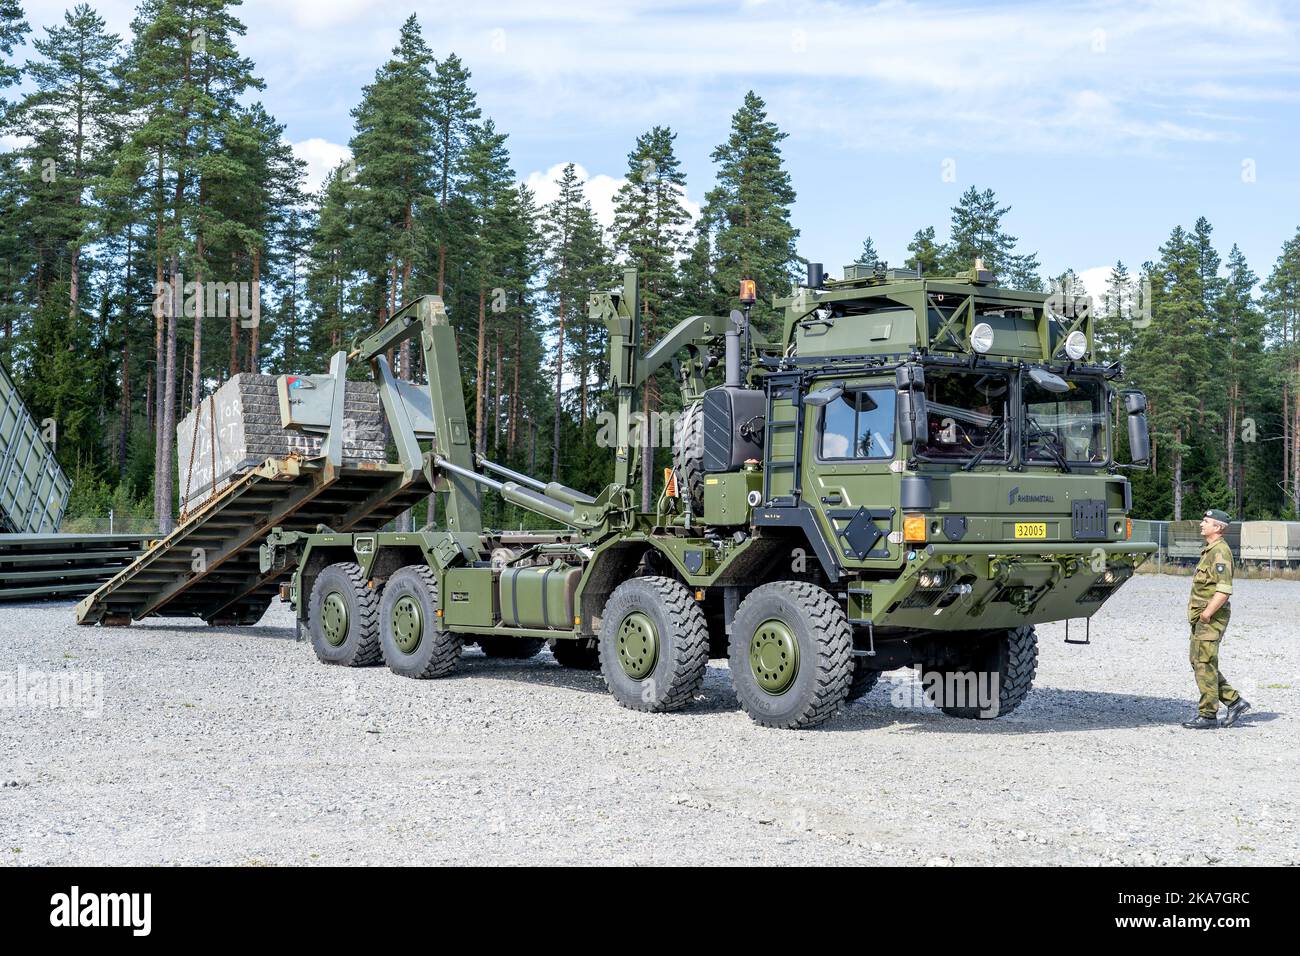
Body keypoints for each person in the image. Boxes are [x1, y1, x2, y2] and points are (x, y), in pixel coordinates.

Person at [1181, 509, 1251, 730]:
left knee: (1204, 662)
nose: (1202, 524)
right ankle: (1234, 702)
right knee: (1199, 661)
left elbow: (1223, 590)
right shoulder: (1210, 550)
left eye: (1206, 521)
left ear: (1218, 527)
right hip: (1202, 618)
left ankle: (1208, 715)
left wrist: (1207, 613)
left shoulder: (1220, 552)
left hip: (1210, 618)